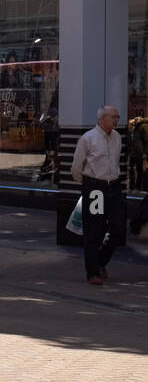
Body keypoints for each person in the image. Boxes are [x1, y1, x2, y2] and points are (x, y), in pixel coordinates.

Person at [71, 105, 124, 286]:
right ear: (102, 119)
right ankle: (92, 271)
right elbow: (77, 167)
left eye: (117, 117)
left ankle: (101, 260)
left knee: (117, 228)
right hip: (95, 189)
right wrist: (89, 185)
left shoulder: (117, 137)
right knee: (94, 229)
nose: (116, 120)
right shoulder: (88, 138)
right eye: (113, 117)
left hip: (114, 188)